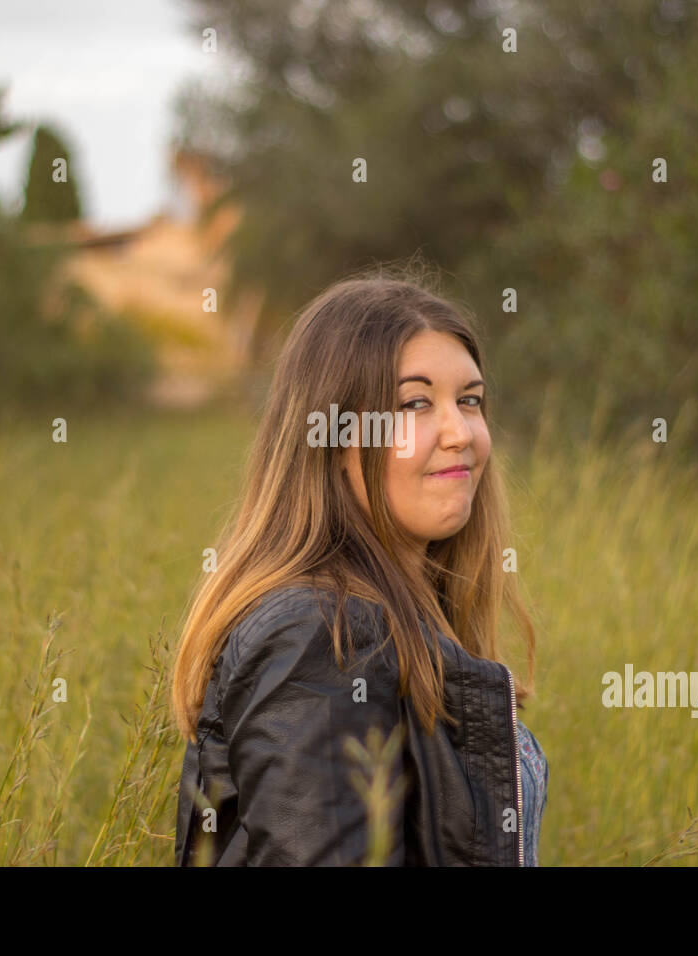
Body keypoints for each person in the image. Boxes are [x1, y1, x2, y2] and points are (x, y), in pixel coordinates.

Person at [170, 268, 546, 866]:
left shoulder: (390, 615)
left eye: (469, 400)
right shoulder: (320, 634)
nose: (460, 433)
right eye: (414, 403)